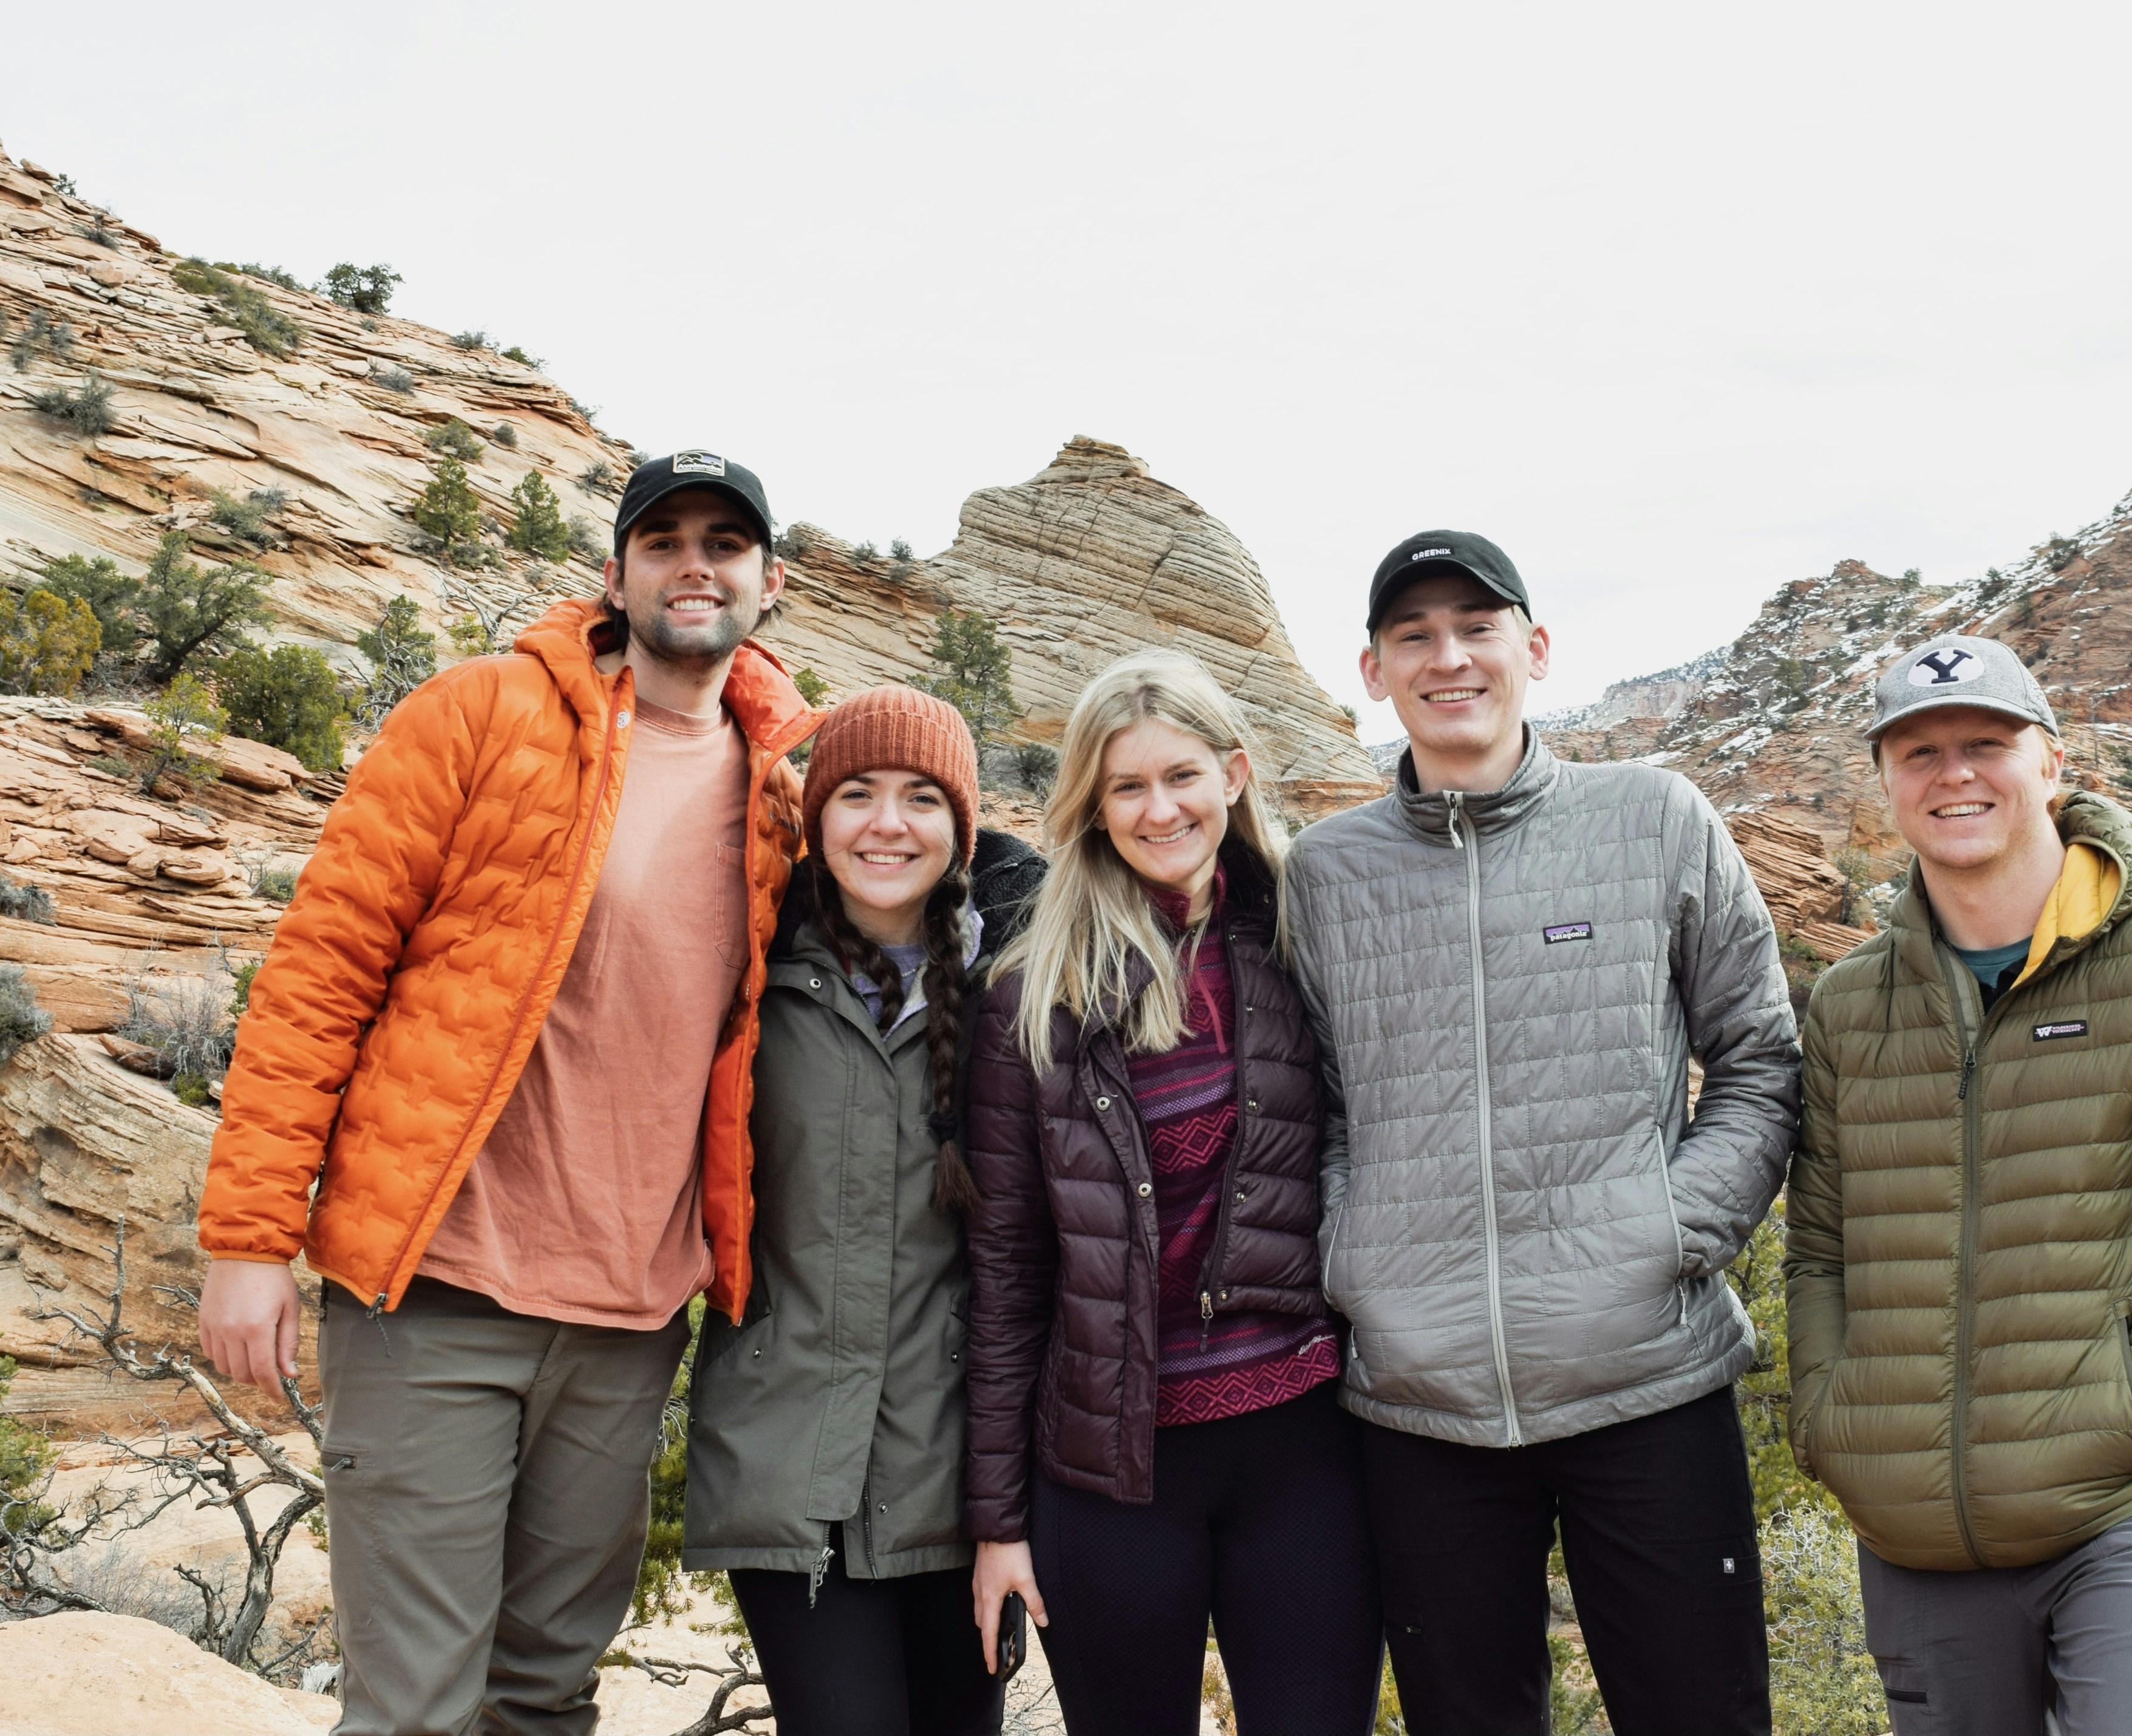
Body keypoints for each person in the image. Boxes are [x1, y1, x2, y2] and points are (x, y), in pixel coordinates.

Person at [196, 452, 817, 1735]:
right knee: (416, 1708)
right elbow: (320, 971)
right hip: (439, 1292)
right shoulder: (485, 714)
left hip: (629, 1322)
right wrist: (249, 1239)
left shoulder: (783, 798)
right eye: (662, 541)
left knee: (544, 1696)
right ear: (616, 575)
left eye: (724, 544)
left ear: (770, 585)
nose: (693, 565)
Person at [1279, 531, 1800, 1736]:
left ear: (1537, 649)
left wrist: (1668, 1233)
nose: (1449, 657)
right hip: (1422, 1404)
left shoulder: (1654, 819)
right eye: (1415, 634)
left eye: (1478, 627)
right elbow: (1320, 1106)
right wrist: (1362, 1266)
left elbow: (1760, 1060)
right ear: (1373, 670)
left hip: (1648, 1378)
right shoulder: (1325, 873)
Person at [1785, 633, 2132, 1736]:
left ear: (2052, 765)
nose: (1955, 774)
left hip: (2124, 1510)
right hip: (1918, 1538)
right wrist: (1835, 1421)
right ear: (1885, 784)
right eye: (1920, 753)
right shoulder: (1851, 1005)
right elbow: (1822, 1251)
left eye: (1987, 743)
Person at [962, 650, 1383, 1736]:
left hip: (1302, 1448)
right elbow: (1007, 1275)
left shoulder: (1300, 940)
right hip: (1110, 1475)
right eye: (1127, 786)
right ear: (1092, 807)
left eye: (1182, 775)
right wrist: (997, 1524)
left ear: (1233, 774)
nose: (1161, 810)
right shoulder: (1032, 998)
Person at [683, 686, 1044, 1735]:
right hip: (786, 1457)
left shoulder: (1024, 988)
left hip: (966, 1476)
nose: (888, 824)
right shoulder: (748, 975)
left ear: (961, 825)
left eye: (922, 798)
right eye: (858, 794)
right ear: (817, 815)